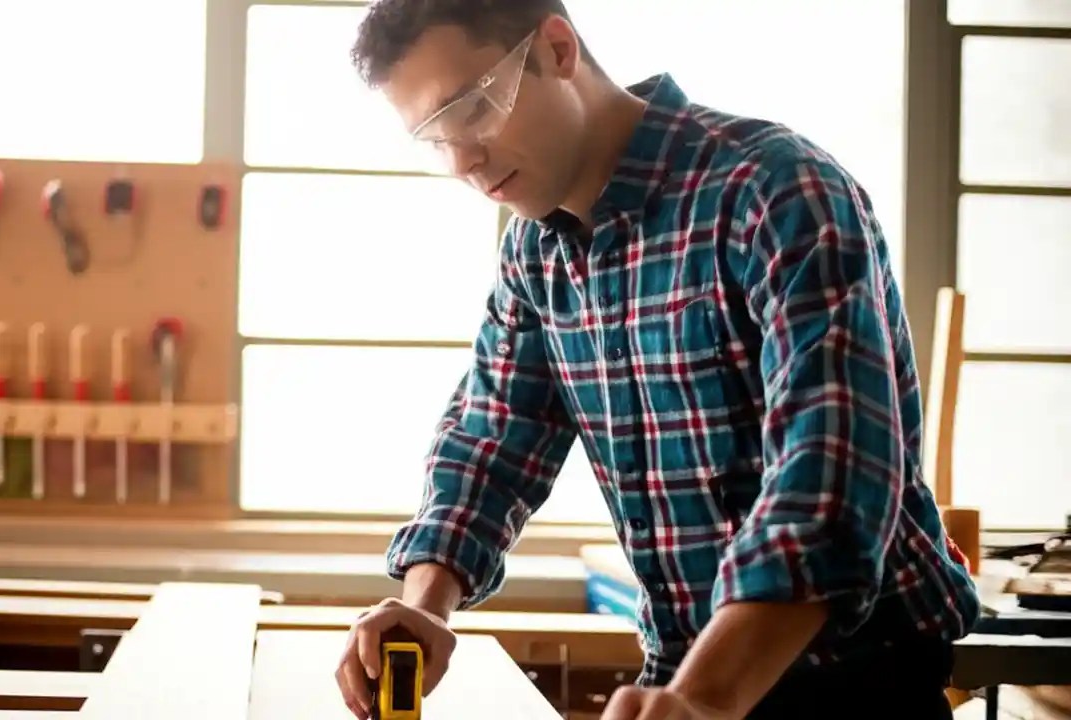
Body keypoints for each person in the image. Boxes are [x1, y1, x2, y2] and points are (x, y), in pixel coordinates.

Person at [334, 2, 981, 718]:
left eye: (474, 107)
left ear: (556, 49)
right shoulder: (534, 252)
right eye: (435, 135)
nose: (463, 160)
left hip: (855, 687)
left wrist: (705, 696)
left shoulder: (774, 191)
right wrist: (426, 603)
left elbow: (828, 482)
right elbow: (491, 441)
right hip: (682, 678)